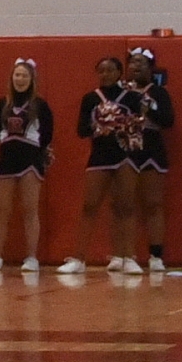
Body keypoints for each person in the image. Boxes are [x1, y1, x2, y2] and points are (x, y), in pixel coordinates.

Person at [56, 57, 140, 275]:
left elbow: (138, 128)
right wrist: (99, 125)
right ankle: (79, 258)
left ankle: (127, 257)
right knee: (89, 206)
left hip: (125, 156)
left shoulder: (132, 98)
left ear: (120, 73)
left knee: (126, 206)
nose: (105, 74)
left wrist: (121, 125)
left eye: (110, 70)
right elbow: (81, 130)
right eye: (101, 70)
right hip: (100, 156)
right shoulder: (90, 98)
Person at [0, 59, 53, 273]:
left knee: (30, 209)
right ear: (11, 77)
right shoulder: (1, 105)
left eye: (25, 75)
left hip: (30, 159)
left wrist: (37, 151)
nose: (20, 79)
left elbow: (47, 134)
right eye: (17, 75)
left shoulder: (40, 105)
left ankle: (32, 257)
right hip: (6, 159)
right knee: (2, 210)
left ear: (32, 79)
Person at [122, 47, 174, 273]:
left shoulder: (159, 92)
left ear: (151, 67)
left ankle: (156, 255)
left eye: (141, 62)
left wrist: (147, 110)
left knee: (153, 204)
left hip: (151, 146)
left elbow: (168, 120)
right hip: (127, 148)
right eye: (133, 62)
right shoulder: (121, 91)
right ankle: (126, 255)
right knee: (126, 204)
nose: (136, 66)